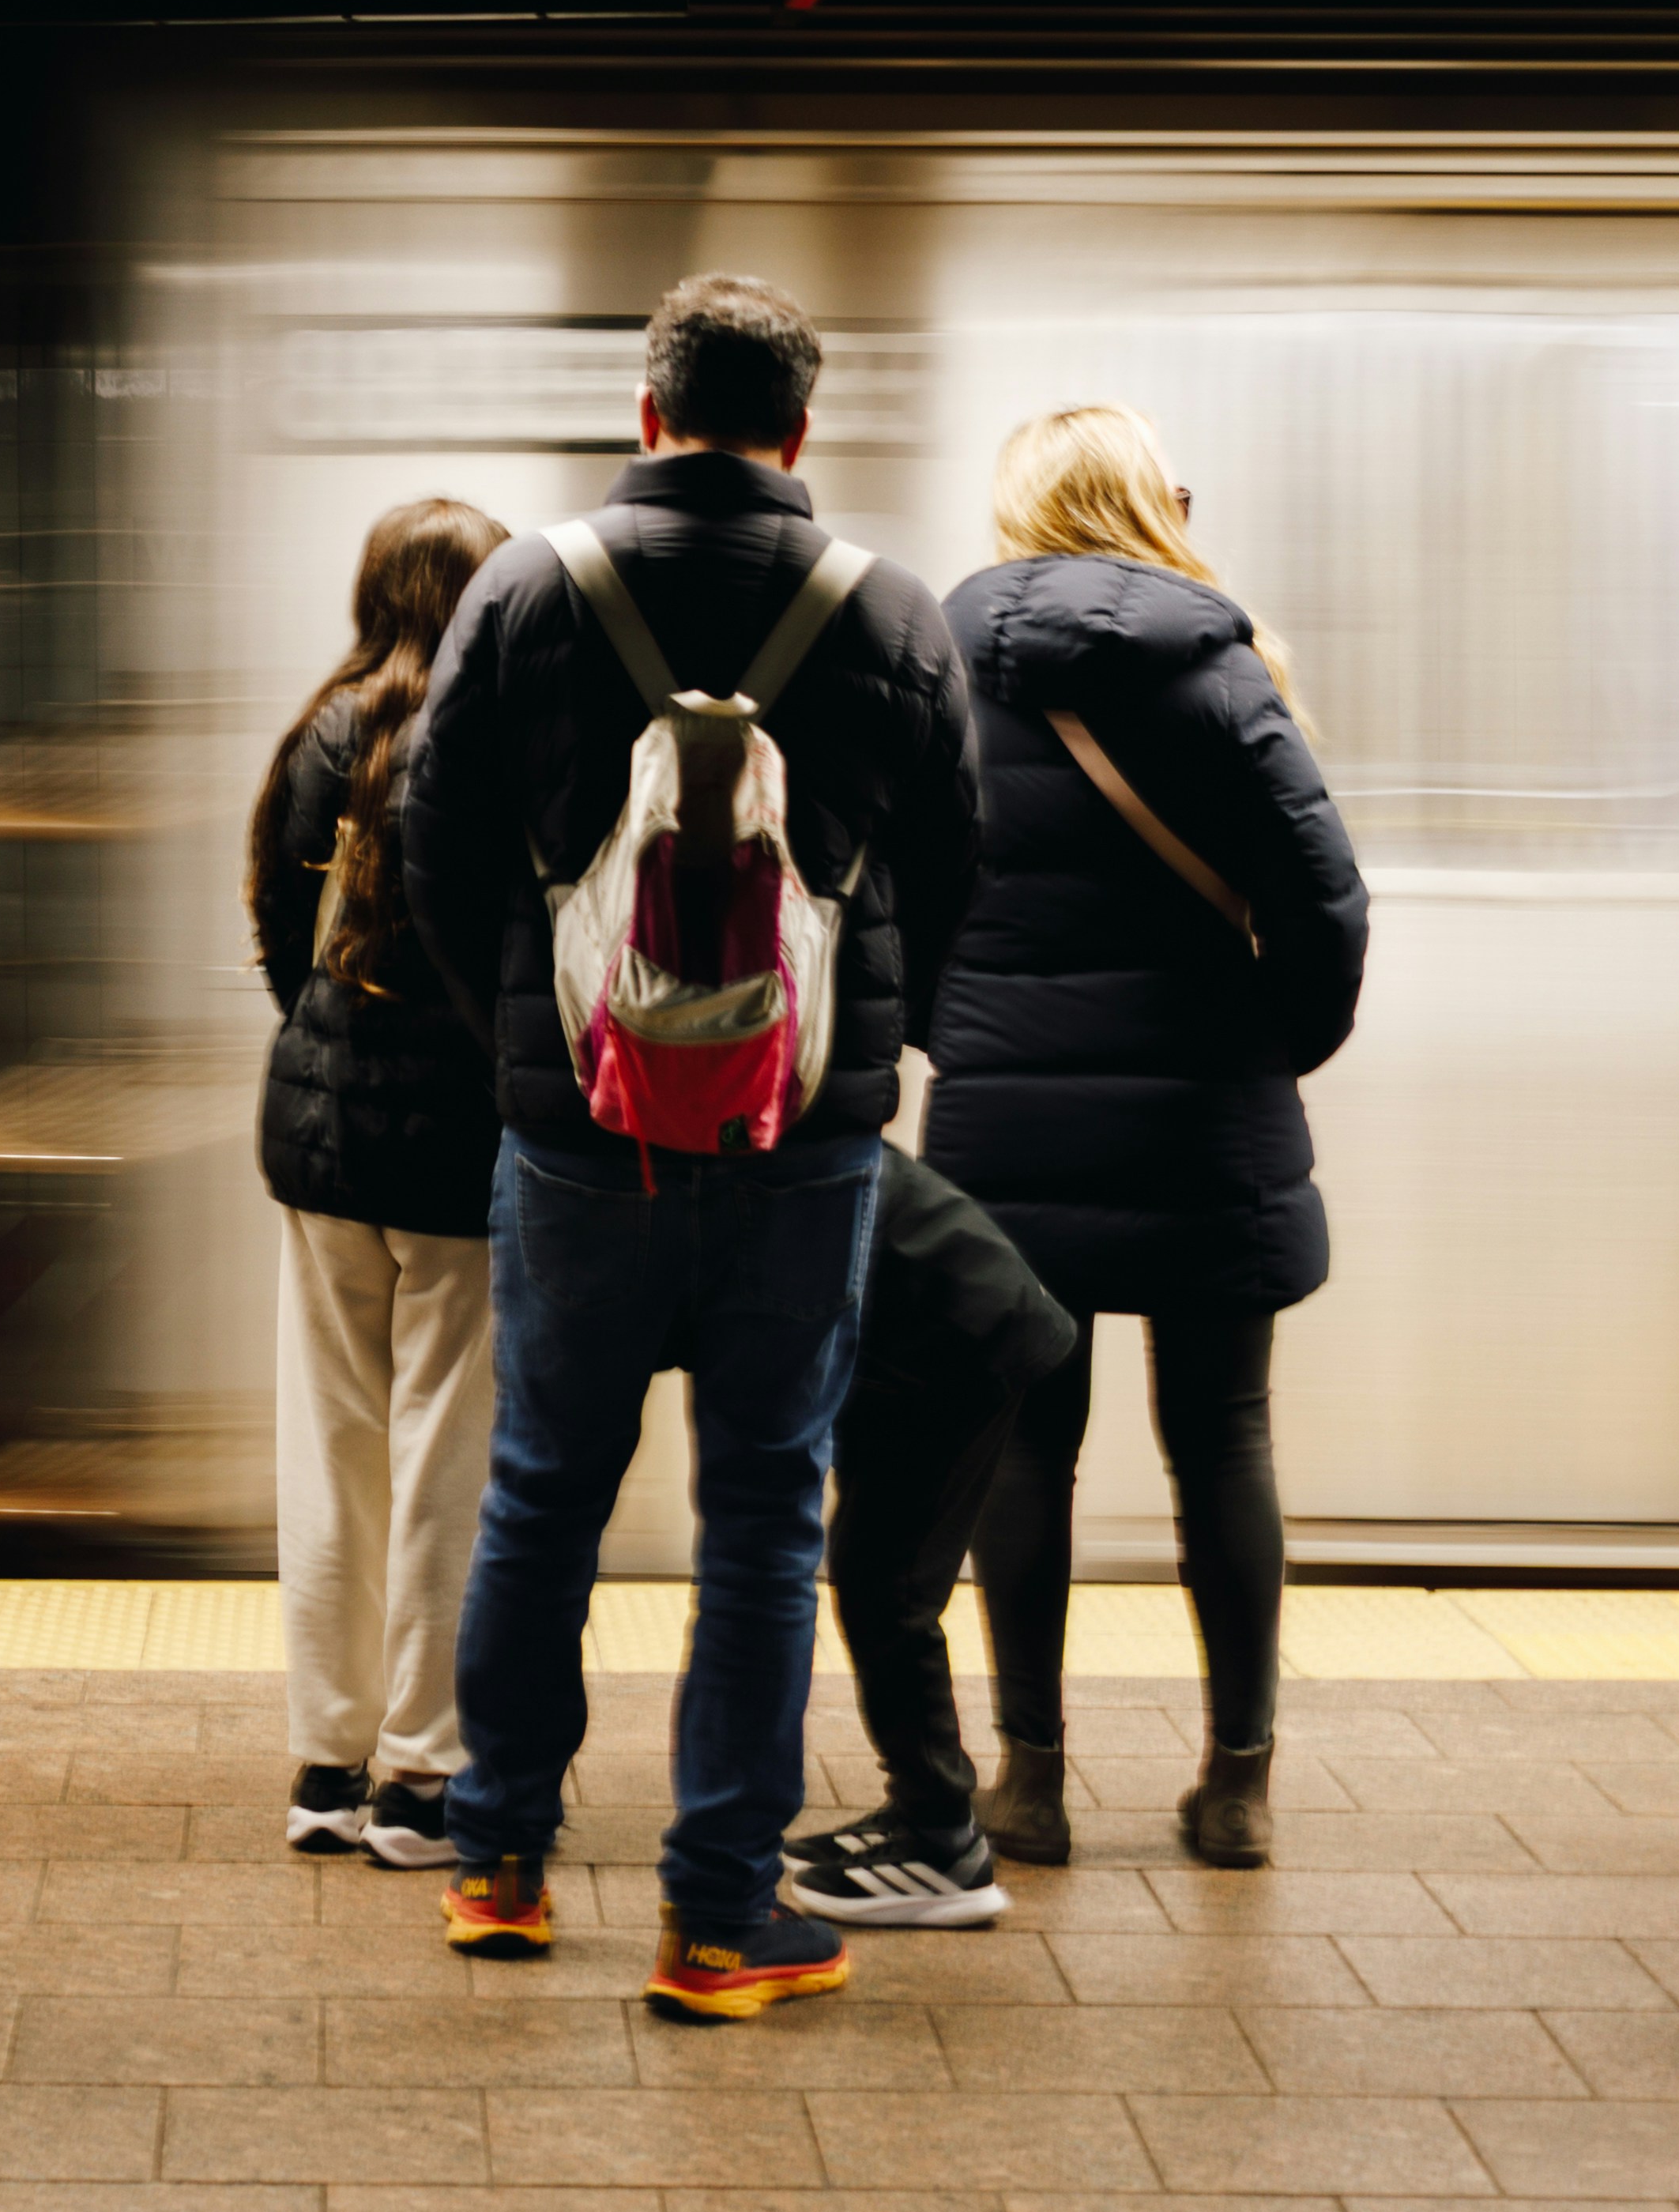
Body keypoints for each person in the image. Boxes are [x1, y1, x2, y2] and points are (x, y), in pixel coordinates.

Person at [397, 274, 983, 2022]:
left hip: (573, 1137)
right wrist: (870, 1045)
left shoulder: (522, 587)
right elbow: (955, 867)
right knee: (756, 1521)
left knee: (538, 1491)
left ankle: (498, 1862)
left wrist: (523, 1031)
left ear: (646, 415)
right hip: (801, 1142)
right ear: (794, 430)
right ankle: (718, 1916)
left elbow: (433, 846)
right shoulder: (885, 607)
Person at [925, 405, 1367, 1871]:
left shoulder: (940, 671)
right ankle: (1236, 1784)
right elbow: (1327, 902)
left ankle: (1029, 1782)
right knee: (1222, 1440)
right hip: (1204, 1115)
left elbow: (887, 890)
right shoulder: (1227, 676)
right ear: (1154, 504)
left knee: (1024, 1451)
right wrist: (1269, 1044)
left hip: (1005, 1131)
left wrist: (970, 1032)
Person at [248, 496, 511, 1868]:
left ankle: (326, 1765)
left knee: (333, 1453)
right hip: (467, 1151)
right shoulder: (509, 734)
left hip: (324, 1142)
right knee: (445, 1457)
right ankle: (425, 1774)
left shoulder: (321, 728)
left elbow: (279, 941)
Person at [779, 1147, 1081, 1929]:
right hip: (935, 1309)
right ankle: (920, 1809)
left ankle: (940, 1838)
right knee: (876, 1571)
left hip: (951, 1330)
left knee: (887, 1581)